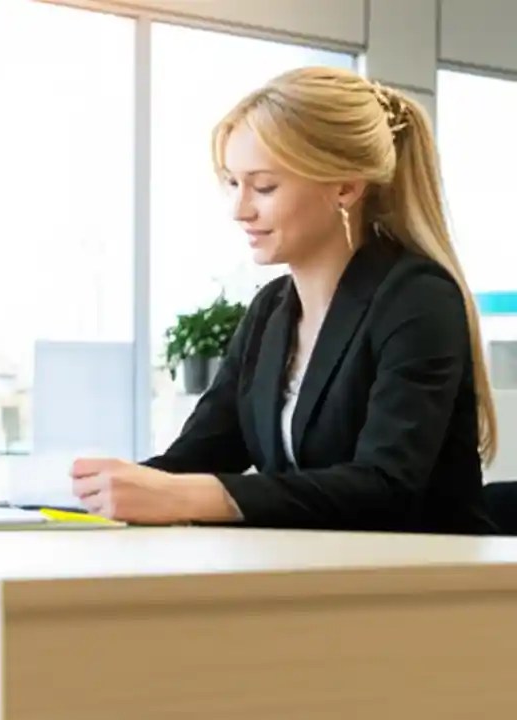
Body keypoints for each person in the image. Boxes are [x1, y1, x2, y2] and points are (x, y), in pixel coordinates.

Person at [71, 67, 498, 535]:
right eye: (233, 183)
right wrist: (99, 495)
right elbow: (195, 458)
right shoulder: (270, 311)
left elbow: (385, 487)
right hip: (320, 578)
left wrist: (186, 495)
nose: (240, 210)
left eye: (264, 186)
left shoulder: (418, 298)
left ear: (345, 187)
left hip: (432, 587)